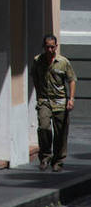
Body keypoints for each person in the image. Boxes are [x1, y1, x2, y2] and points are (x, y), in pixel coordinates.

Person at [32, 34, 76, 172]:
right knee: (44, 127)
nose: (50, 49)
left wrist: (71, 99)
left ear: (56, 47)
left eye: (52, 47)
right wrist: (39, 94)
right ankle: (45, 156)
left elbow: (72, 79)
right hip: (44, 100)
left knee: (60, 133)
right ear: (44, 47)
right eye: (47, 47)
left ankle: (58, 161)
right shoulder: (38, 61)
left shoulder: (63, 62)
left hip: (60, 101)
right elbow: (34, 77)